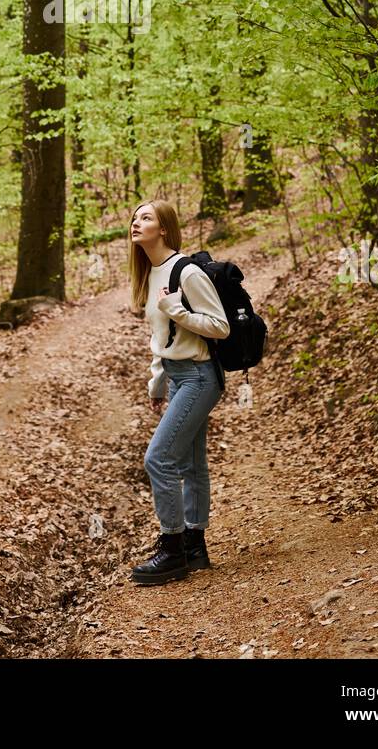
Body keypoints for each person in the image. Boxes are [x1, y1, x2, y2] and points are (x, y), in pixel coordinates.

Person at [127, 198, 230, 585]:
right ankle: (194, 545)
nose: (137, 223)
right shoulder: (151, 271)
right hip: (177, 376)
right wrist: (158, 381)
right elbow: (161, 337)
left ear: (164, 228)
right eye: (135, 218)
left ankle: (171, 550)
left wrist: (179, 311)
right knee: (190, 464)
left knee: (158, 459)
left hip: (201, 377)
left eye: (146, 218)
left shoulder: (185, 272)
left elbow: (220, 326)